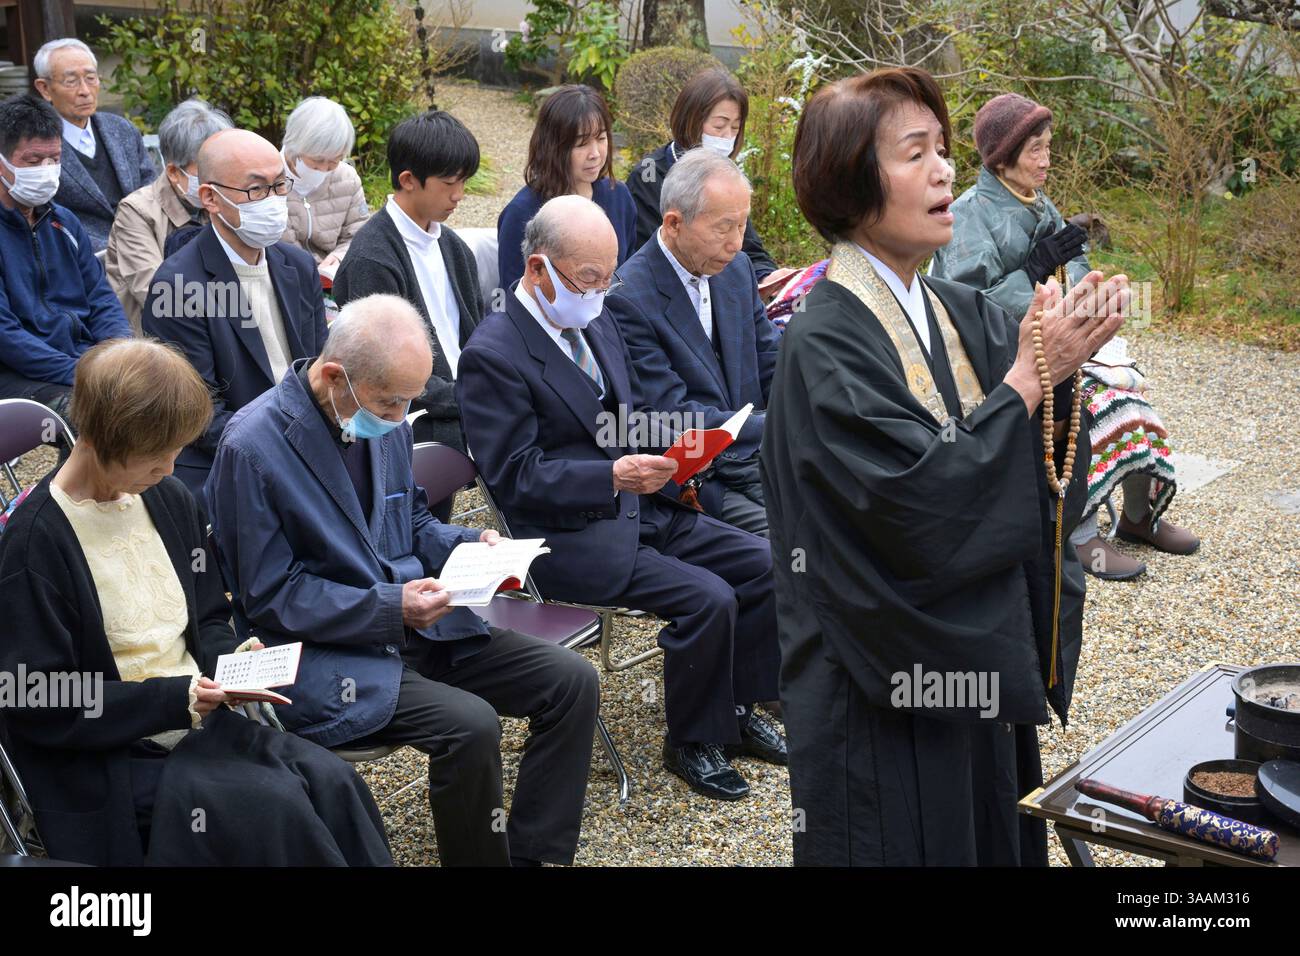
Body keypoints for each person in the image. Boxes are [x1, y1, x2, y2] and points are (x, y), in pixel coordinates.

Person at [762, 68, 1130, 865]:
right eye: (914, 152)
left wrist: (1059, 372)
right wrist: (1032, 379)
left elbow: (1036, 452)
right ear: (850, 180)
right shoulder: (821, 343)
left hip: (974, 657)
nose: (942, 173)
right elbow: (910, 506)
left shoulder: (958, 310)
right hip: (879, 680)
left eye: (943, 151)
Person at [206, 294, 599, 867]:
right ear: (335, 375)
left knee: (572, 682)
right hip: (328, 651)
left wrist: (471, 546)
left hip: (416, 623)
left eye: (408, 402)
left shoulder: (378, 412)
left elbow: (409, 518)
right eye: (392, 403)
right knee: (469, 725)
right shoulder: (251, 447)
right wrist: (392, 607)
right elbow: (271, 596)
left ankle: (535, 855)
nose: (399, 417)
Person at [0, 338, 392, 866]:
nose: (169, 466)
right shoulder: (34, 546)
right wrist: (176, 697)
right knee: (272, 808)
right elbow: (39, 699)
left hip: (198, 724)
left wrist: (229, 659)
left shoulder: (166, 497)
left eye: (177, 449)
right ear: (99, 439)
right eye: (155, 452)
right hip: (110, 755)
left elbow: (207, 613)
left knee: (333, 781)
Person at [458, 196, 785, 802]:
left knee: (764, 566)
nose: (601, 291)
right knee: (709, 599)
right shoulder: (493, 354)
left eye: (609, 277)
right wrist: (610, 476)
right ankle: (693, 739)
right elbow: (515, 477)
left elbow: (626, 415)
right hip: (569, 534)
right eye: (588, 279)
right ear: (537, 269)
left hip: (645, 501)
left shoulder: (596, 316)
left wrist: (685, 447)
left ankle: (738, 711)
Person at [930, 92, 1199, 580]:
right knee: (1089, 410)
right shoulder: (970, 212)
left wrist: (1089, 302)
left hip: (1059, 337)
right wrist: (1033, 275)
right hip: (1006, 357)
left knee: (1131, 395)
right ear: (1002, 155)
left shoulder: (1040, 203)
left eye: (1048, 147)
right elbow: (969, 302)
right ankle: (1080, 536)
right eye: (1035, 149)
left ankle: (1141, 515)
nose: (1045, 160)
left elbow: (1074, 263)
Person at [142, 128, 328, 497]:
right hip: (230, 457)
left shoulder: (297, 265)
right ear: (210, 197)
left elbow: (320, 365)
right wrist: (289, 447)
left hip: (305, 439)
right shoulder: (179, 285)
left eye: (279, 186)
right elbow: (198, 415)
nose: (273, 200)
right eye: (256, 189)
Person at [608, 148, 778, 535]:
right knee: (789, 542)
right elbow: (674, 413)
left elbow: (769, 357)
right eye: (724, 227)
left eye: (743, 225)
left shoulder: (736, 269)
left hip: (763, 454)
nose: (737, 242)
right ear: (673, 223)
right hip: (704, 475)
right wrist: (778, 425)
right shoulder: (628, 297)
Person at [332, 110, 482, 464]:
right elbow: (381, 371)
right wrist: (470, 398)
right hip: (410, 413)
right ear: (409, 179)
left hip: (466, 396)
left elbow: (478, 333)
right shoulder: (372, 258)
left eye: (464, 182)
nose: (459, 195)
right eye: (449, 183)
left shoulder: (455, 248)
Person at [0, 95, 131, 424]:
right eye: (32, 161)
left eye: (54, 159)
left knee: (154, 387)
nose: (46, 171)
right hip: (17, 373)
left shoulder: (64, 222)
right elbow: (7, 337)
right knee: (103, 416)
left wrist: (119, 351)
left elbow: (100, 297)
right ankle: (66, 479)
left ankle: (150, 476)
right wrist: (85, 371)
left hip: (81, 355)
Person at [626, 67, 777, 282]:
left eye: (735, 128)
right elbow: (650, 256)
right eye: (719, 126)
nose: (727, 138)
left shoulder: (727, 179)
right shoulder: (649, 174)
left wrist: (768, 277)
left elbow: (751, 248)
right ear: (692, 119)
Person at [105, 99, 232, 332]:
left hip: (217, 322)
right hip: (159, 338)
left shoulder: (222, 199)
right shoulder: (137, 212)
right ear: (173, 172)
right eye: (205, 172)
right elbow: (156, 294)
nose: (217, 180)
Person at [496, 85, 637, 292]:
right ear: (553, 146)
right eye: (581, 144)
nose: (595, 153)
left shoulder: (619, 196)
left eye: (601, 139)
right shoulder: (522, 212)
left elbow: (629, 274)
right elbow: (513, 294)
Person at [33, 38, 156, 253]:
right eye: (71, 81)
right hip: (85, 255)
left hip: (145, 242)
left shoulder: (121, 129)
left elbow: (152, 189)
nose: (85, 91)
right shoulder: (37, 144)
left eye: (90, 78)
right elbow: (45, 214)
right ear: (45, 89)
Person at [279, 96, 370, 274]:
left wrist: (340, 256)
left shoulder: (346, 178)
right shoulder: (267, 182)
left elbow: (360, 233)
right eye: (317, 159)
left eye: (334, 161)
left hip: (332, 277)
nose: (323, 169)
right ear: (295, 144)